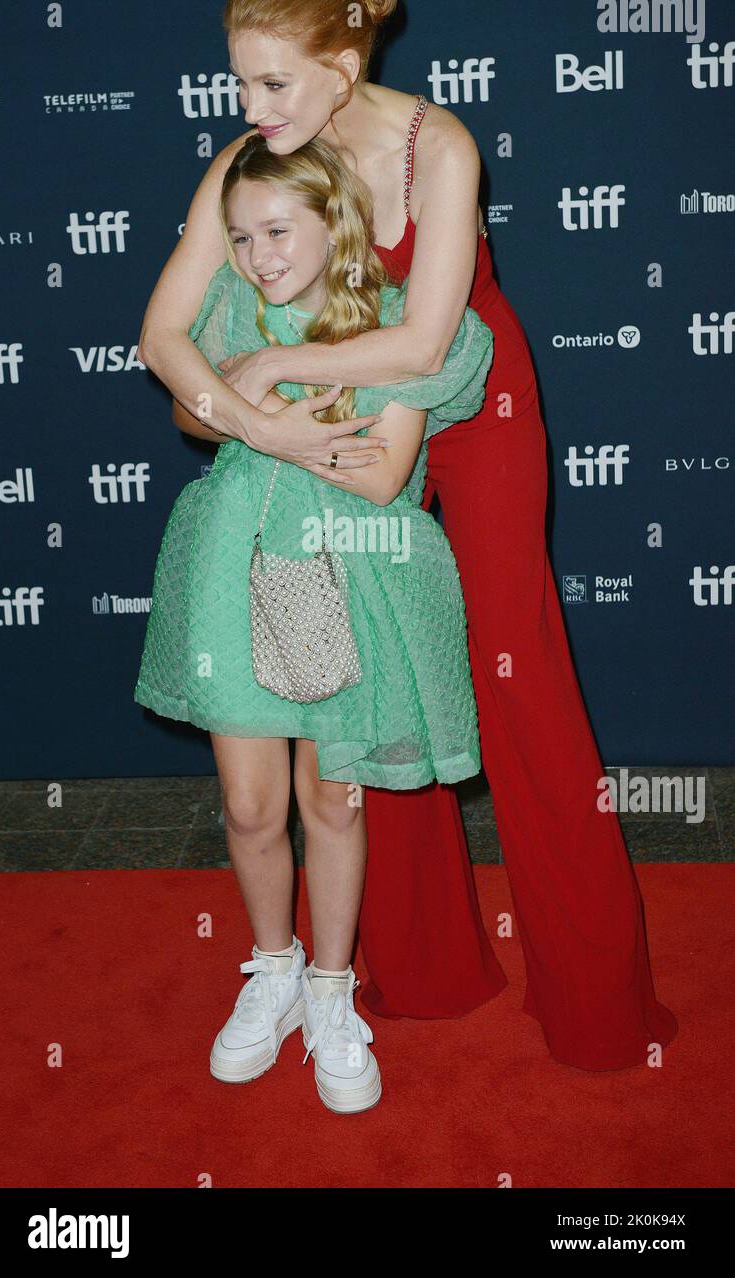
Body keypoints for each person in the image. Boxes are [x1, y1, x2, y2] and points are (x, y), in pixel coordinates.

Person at [138, 0, 678, 1072]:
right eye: (240, 84)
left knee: (515, 673)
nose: (251, 109)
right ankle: (415, 973)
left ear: (341, 68)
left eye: (275, 85)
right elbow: (164, 337)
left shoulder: (441, 147)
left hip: (467, 406)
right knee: (368, 679)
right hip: (322, 416)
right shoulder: (246, 162)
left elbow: (427, 345)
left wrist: (269, 380)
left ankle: (594, 1001)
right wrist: (253, 417)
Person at [133, 133, 494, 1113]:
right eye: (240, 235)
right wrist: (252, 409)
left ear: (333, 219)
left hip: (356, 571)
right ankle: (274, 967)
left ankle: (332, 988)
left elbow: (380, 472)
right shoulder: (227, 306)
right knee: (252, 806)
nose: (256, 254)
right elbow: (187, 414)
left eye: (276, 229)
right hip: (234, 564)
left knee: (333, 799)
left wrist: (266, 411)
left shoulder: (394, 320)